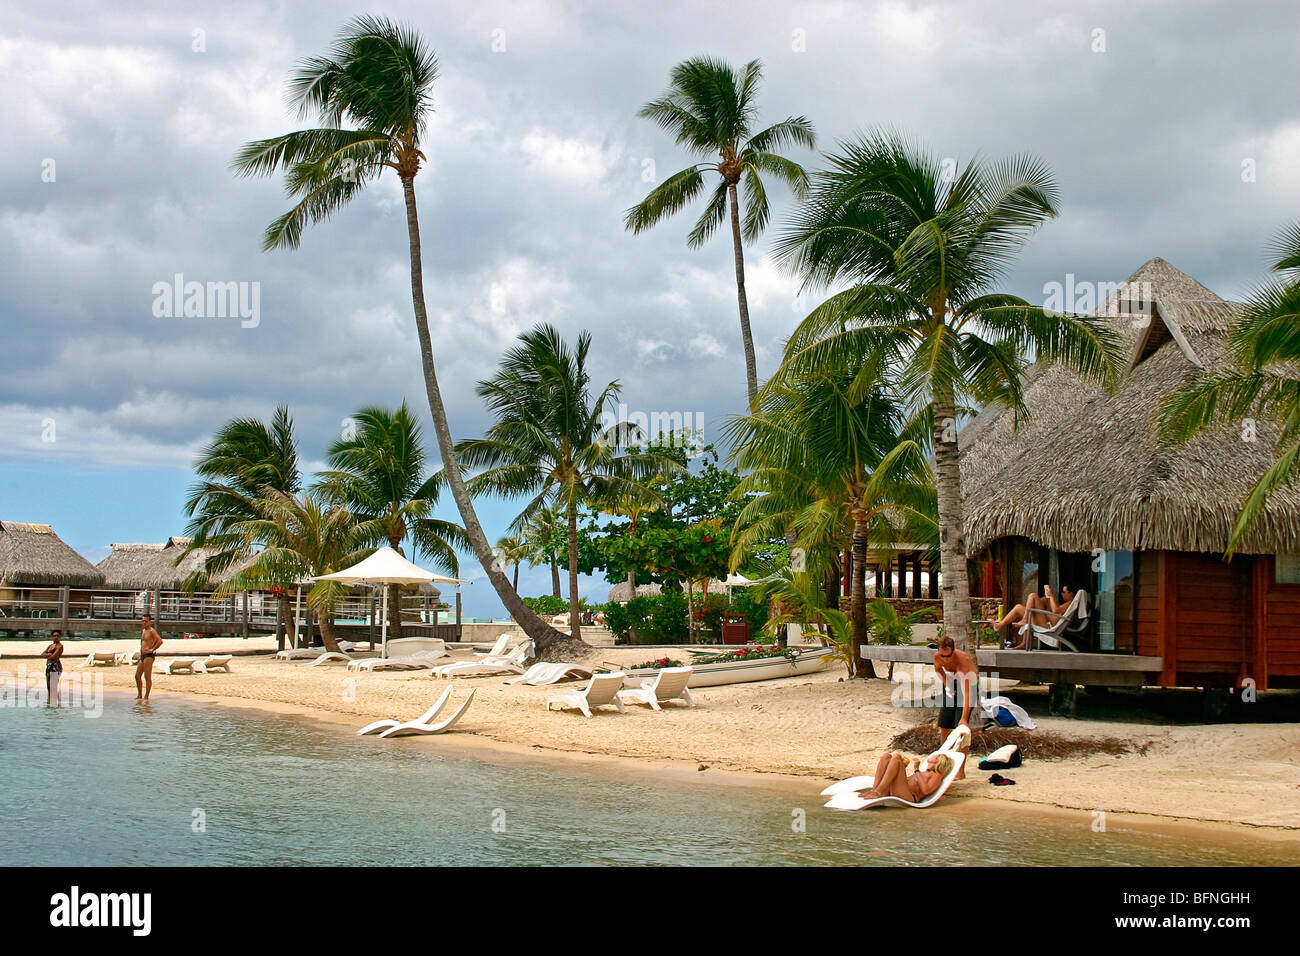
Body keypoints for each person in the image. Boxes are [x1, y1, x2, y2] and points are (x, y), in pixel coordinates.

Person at [933, 634, 977, 778]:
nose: (945, 659)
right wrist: (949, 684)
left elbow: (968, 694)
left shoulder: (963, 662)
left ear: (953, 650)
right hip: (953, 682)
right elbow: (938, 670)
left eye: (948, 656)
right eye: (942, 656)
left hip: (969, 684)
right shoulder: (937, 657)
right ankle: (943, 765)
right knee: (945, 726)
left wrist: (964, 718)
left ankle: (960, 771)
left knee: (961, 730)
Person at [993, 583, 1075, 649]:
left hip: (1048, 626)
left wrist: (1051, 596)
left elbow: (1055, 611)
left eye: (1064, 592)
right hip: (1047, 622)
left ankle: (1025, 620)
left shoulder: (1070, 603)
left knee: (1033, 596)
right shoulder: (1067, 604)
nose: (1062, 594)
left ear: (1071, 593)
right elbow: (1056, 612)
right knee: (1019, 607)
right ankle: (1000, 626)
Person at [861, 751, 955, 803]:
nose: (934, 755)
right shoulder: (924, 772)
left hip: (908, 797)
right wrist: (900, 768)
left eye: (937, 756)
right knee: (887, 756)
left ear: (939, 762)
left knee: (897, 757)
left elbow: (926, 790)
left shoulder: (936, 775)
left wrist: (916, 769)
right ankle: (875, 790)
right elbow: (907, 781)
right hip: (899, 791)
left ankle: (878, 792)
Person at [135, 614, 162, 701]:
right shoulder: (143, 631)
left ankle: (146, 697)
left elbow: (160, 641)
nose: (144, 622)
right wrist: (140, 655)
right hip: (142, 655)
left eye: (146, 621)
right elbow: (142, 644)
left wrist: (152, 649)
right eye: (143, 621)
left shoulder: (152, 631)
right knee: (137, 676)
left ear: (149, 621)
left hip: (149, 656)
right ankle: (139, 695)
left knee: (147, 677)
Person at [40, 630, 65, 705]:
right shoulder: (50, 646)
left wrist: (48, 655)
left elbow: (54, 657)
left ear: (60, 637)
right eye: (54, 636)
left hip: (55, 666)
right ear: (52, 637)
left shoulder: (60, 646)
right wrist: (49, 655)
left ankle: (55, 704)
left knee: (53, 687)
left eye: (57, 636)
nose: (56, 637)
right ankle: (50, 703)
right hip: (48, 666)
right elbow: (42, 654)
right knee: (49, 687)